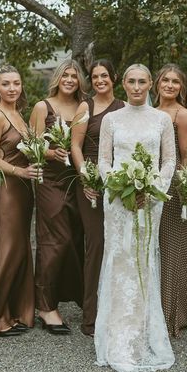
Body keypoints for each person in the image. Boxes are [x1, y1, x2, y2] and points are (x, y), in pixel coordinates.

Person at [95, 64, 176, 372]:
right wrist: (120, 184)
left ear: (151, 84)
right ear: (124, 84)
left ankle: (143, 334)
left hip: (150, 199)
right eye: (132, 81)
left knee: (143, 260)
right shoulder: (111, 120)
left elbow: (169, 160)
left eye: (143, 81)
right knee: (119, 260)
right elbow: (104, 161)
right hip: (117, 201)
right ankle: (115, 335)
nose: (137, 87)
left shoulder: (162, 119)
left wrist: (152, 186)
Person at [30, 59, 86, 334]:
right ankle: (45, 306)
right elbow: (33, 147)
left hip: (76, 181)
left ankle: (74, 296)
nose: (70, 80)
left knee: (75, 238)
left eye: (74, 76)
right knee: (54, 240)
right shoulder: (43, 107)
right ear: (57, 78)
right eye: (65, 75)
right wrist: (52, 153)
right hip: (50, 181)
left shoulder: (84, 106)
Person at [71, 59, 125, 337]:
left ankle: (116, 311)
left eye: (105, 75)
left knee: (117, 244)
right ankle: (91, 316)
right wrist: (85, 177)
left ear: (114, 78)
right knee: (96, 244)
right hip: (91, 181)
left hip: (118, 183)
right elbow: (75, 145)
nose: (100, 80)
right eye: (95, 77)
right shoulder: (86, 107)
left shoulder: (125, 109)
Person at [0, 65, 40, 336]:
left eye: (16, 83)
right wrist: (19, 170)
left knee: (19, 248)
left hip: (23, 189)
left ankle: (16, 312)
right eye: (6, 84)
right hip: (6, 188)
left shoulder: (19, 114)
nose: (12, 88)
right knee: (6, 248)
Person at [154, 63, 187, 337]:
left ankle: (174, 316)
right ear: (157, 83)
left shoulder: (182, 115)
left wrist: (186, 187)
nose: (169, 85)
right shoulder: (148, 112)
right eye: (165, 80)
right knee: (153, 250)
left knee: (173, 250)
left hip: (173, 189)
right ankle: (153, 313)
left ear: (181, 87)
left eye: (175, 82)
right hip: (148, 186)